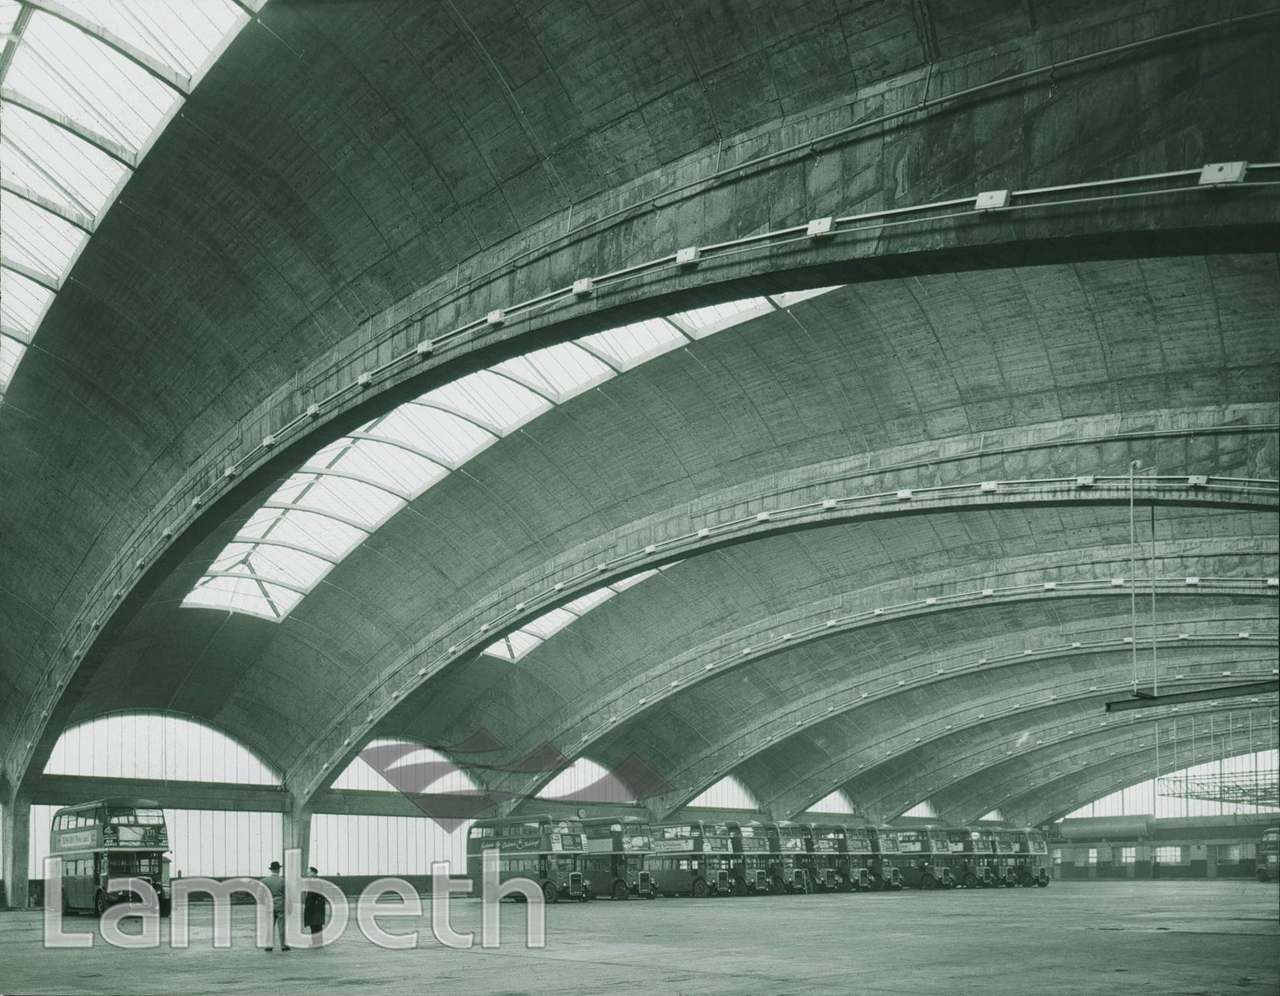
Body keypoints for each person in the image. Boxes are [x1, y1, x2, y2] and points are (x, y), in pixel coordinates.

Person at [262, 860, 289, 952]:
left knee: (270, 926)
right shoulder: (283, 881)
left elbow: (259, 895)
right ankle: (284, 946)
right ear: (278, 870)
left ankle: (269, 945)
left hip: (269, 906)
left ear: (271, 870)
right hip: (281, 906)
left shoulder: (264, 881)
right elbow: (288, 895)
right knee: (282, 926)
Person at [303, 866, 328, 947]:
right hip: (314, 907)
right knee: (315, 925)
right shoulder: (314, 881)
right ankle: (317, 942)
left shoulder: (315, 881)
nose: (307, 874)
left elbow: (315, 894)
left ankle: (317, 943)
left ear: (313, 872)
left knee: (315, 925)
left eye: (308, 872)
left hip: (315, 908)